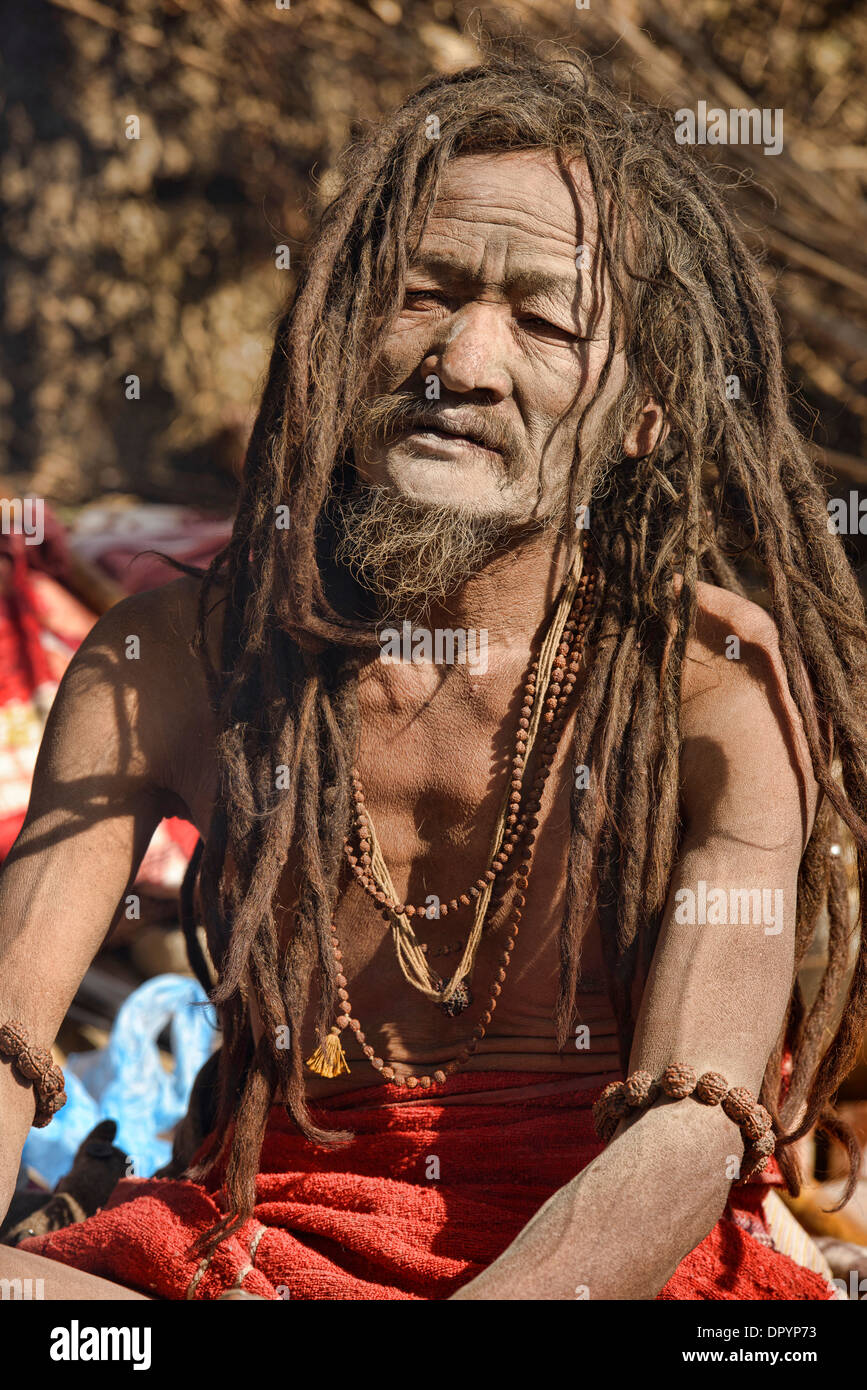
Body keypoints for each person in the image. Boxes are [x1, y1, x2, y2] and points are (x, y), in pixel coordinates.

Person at [2, 47, 865, 1301]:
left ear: (647, 415)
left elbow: (693, 1128)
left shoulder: (711, 688)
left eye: (546, 321)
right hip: (249, 1253)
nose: (461, 361)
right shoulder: (169, 664)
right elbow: (11, 1029)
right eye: (422, 294)